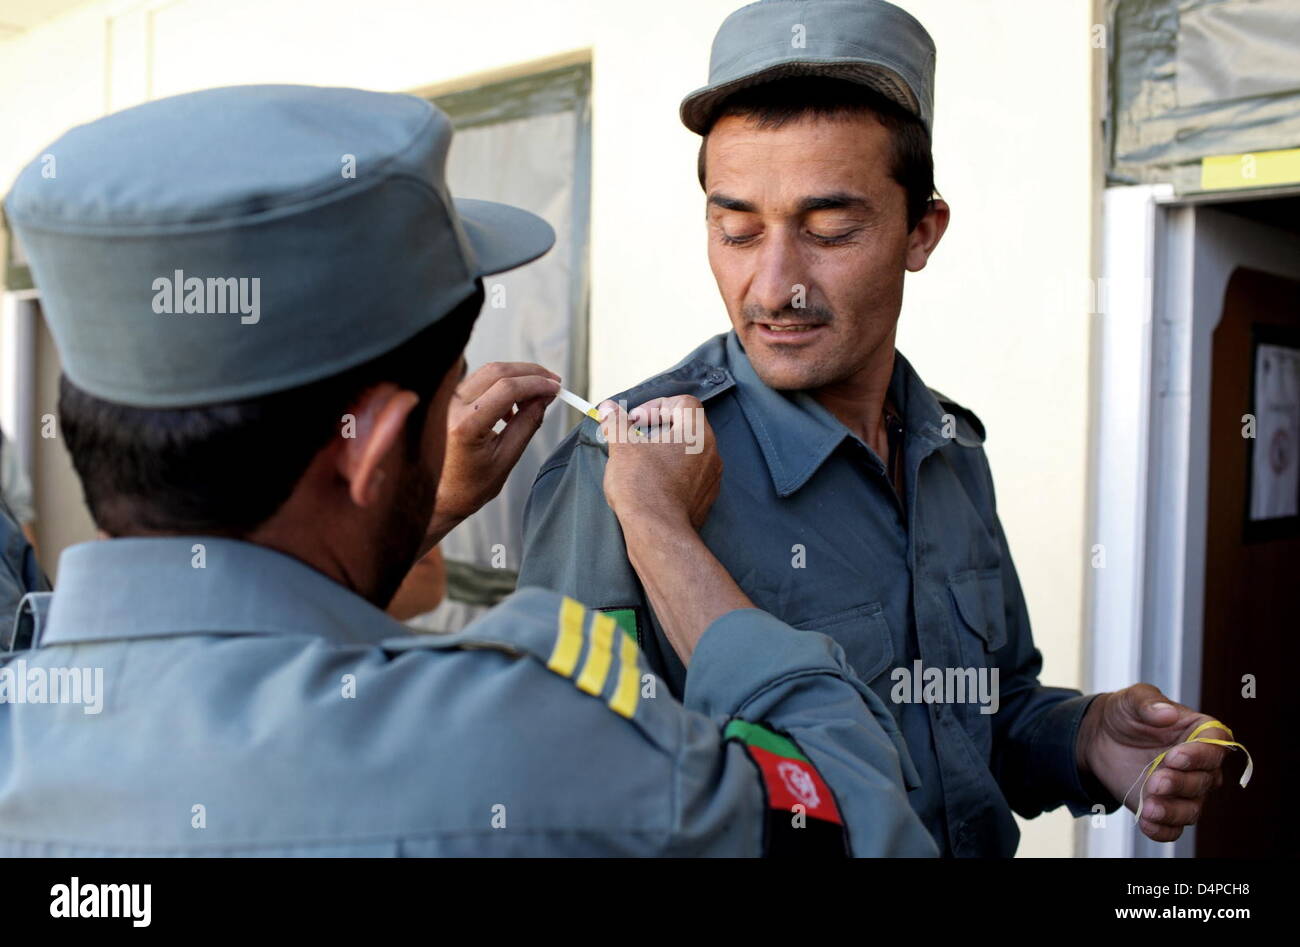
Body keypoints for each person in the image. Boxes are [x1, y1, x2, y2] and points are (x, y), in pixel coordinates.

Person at [0, 84, 936, 857]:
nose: (774, 282)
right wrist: (656, 523)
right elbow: (861, 824)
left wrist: (410, 508)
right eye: (448, 388)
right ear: (367, 448)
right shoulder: (531, 739)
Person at [519, 0, 1234, 855]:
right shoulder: (630, 470)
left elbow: (977, 712)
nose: (773, 284)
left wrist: (1083, 738)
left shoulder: (952, 452)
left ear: (920, 231)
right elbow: (567, 804)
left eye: (829, 230)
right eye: (736, 228)